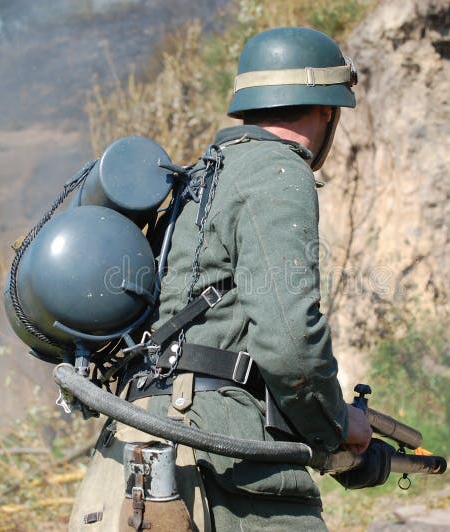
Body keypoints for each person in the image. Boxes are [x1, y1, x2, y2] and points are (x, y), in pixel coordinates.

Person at [69, 26, 371, 531]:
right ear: (326, 110)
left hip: (134, 437)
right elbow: (290, 342)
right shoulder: (277, 171)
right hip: (218, 455)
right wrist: (337, 425)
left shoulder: (199, 174)